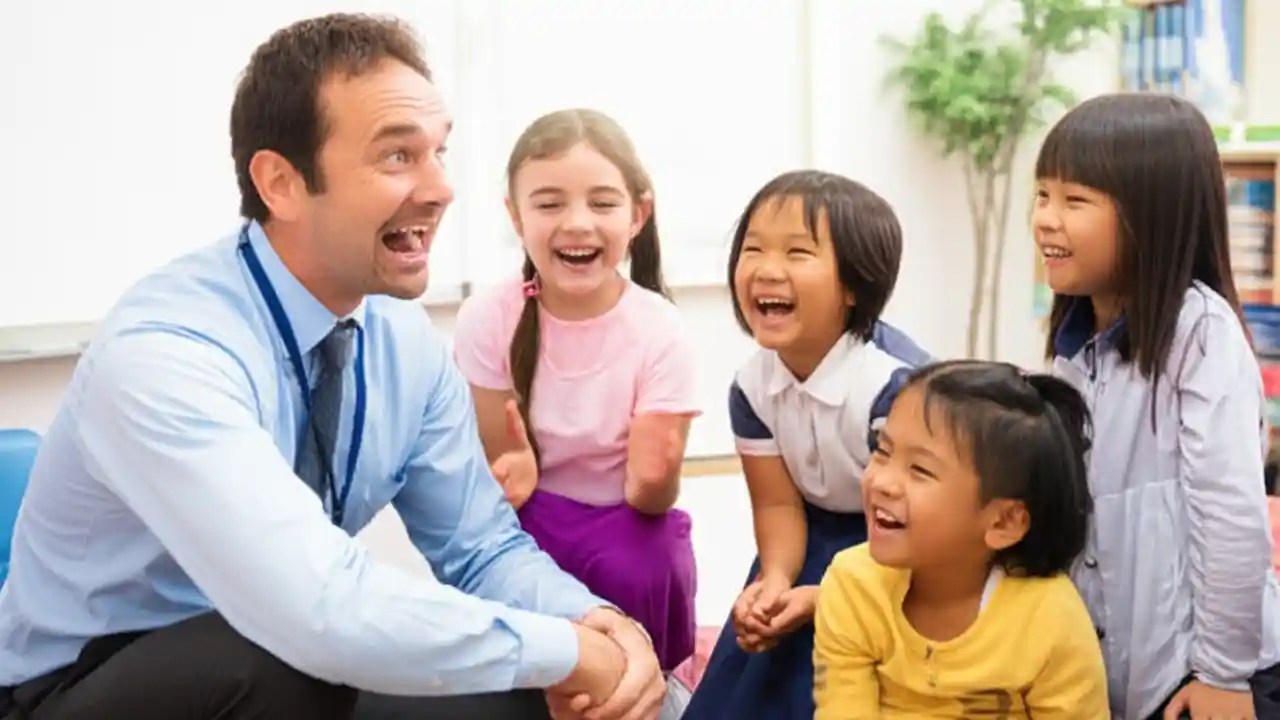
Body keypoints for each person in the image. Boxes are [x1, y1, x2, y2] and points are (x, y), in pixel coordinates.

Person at [0, 14, 665, 720]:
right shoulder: (165, 354)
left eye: (439, 152)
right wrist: (563, 649)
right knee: (283, 664)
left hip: (282, 654)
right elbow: (318, 609)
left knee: (535, 697)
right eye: (397, 158)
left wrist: (595, 626)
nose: (441, 189)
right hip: (79, 685)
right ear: (280, 183)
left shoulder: (404, 346)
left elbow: (481, 550)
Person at [1035, 92, 1280, 719]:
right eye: (1042, 195)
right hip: (1120, 672)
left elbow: (1230, 515)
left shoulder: (1201, 333)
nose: (1045, 219)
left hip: (1208, 672)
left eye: (1075, 200)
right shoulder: (1075, 345)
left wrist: (1222, 676)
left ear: (1152, 216)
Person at [451, 108, 700, 673]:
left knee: (642, 562)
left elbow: (649, 497)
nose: (578, 223)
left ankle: (651, 686)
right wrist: (511, 471)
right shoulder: (488, 317)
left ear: (638, 215)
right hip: (530, 519)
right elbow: (497, 464)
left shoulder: (661, 330)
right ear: (515, 216)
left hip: (626, 526)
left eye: (603, 203)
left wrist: (658, 479)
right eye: (549, 203)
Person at [681, 170, 930, 719]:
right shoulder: (752, 386)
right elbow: (777, 504)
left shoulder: (898, 390)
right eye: (753, 249)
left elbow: (932, 533)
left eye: (798, 252)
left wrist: (828, 599)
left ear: (853, 287)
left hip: (910, 554)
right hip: (811, 542)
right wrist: (774, 578)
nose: (768, 270)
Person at [812, 360, 1108, 718]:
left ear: (1003, 522)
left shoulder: (1051, 617)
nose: (881, 482)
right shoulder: (853, 584)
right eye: (883, 450)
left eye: (919, 470)